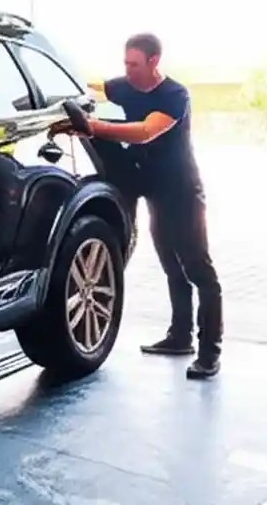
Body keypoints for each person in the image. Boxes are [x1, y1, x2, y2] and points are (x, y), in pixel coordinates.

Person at [57, 33, 222, 379]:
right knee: (171, 266)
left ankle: (210, 353)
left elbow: (146, 131)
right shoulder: (124, 86)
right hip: (148, 183)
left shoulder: (175, 95)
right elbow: (93, 86)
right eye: (125, 63)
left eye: (134, 64)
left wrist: (91, 128)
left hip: (180, 190)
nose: (128, 70)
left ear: (153, 62)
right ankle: (180, 337)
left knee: (198, 269)